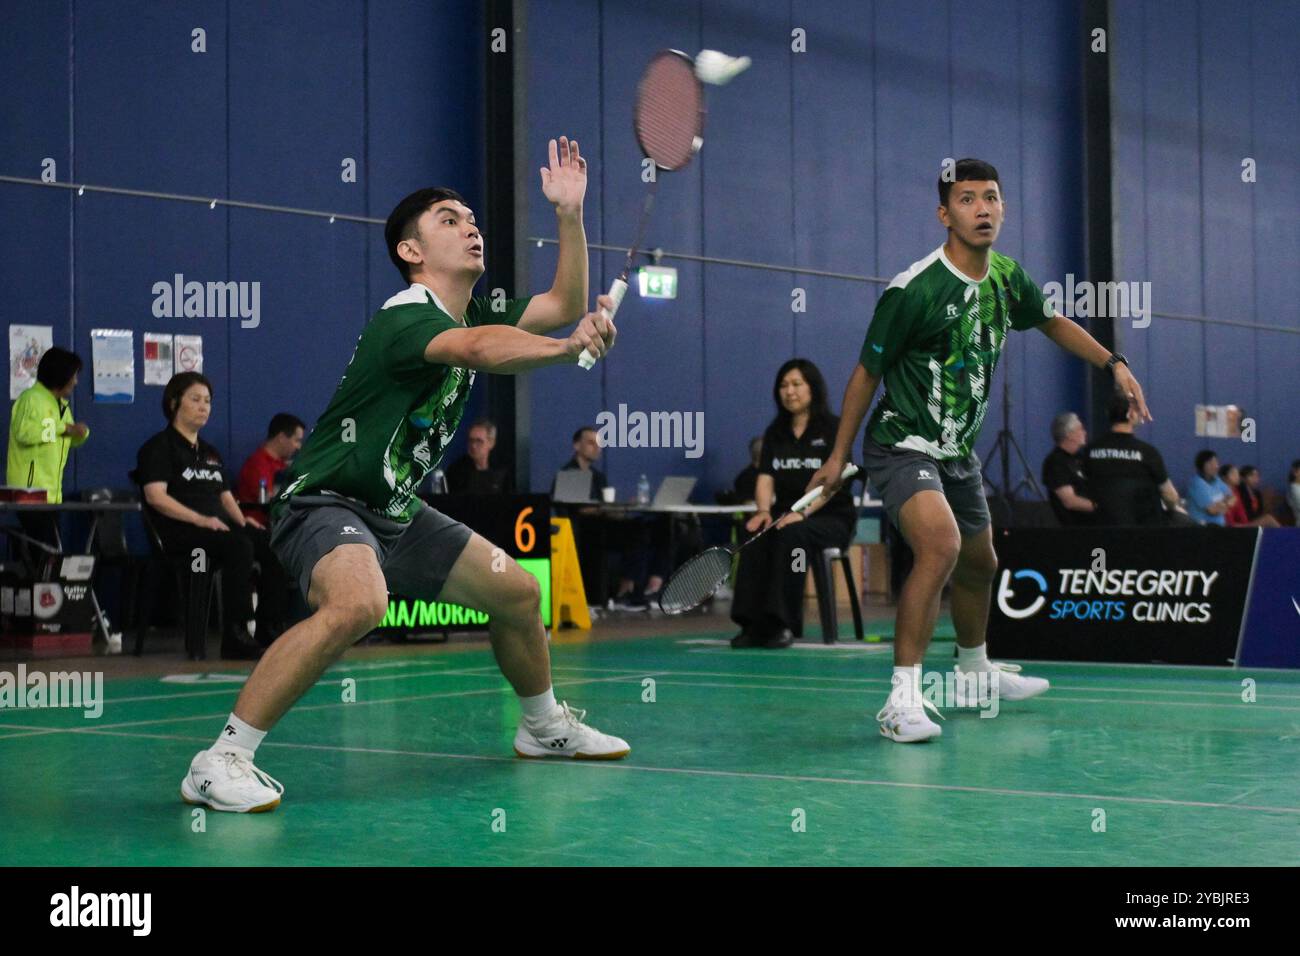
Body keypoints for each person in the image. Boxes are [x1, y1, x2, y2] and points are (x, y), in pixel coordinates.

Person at [180, 138, 628, 814]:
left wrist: (569, 215)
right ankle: (221, 759)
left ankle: (545, 729)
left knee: (514, 594)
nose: (470, 226)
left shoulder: (473, 308)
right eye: (449, 219)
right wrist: (568, 352)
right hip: (324, 502)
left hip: (394, 508)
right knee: (360, 604)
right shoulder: (406, 317)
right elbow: (480, 350)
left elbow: (564, 302)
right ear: (411, 252)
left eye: (472, 218)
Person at [808, 158, 1155, 743]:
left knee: (982, 561)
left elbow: (1051, 322)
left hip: (956, 450)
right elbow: (866, 374)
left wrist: (1113, 363)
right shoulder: (913, 289)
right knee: (940, 546)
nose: (983, 208)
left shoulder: (1006, 277)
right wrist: (839, 456)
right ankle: (901, 699)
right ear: (945, 214)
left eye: (991, 197)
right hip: (902, 443)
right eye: (967, 200)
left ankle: (973, 674)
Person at [136, 373, 291, 659]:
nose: (203, 407)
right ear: (173, 404)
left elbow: (224, 496)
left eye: (207, 401)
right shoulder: (158, 448)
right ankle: (235, 634)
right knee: (238, 546)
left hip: (217, 528)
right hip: (180, 533)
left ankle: (270, 629)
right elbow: (155, 497)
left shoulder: (210, 453)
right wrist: (200, 519)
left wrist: (243, 521)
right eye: (195, 399)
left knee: (271, 543)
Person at [731, 359, 858, 649]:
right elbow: (765, 477)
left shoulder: (833, 429)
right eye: (784, 385)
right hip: (786, 513)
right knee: (755, 534)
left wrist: (803, 513)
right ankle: (753, 623)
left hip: (831, 516)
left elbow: (833, 484)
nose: (789, 391)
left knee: (792, 536)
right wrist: (763, 511)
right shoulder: (776, 432)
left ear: (813, 388)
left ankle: (782, 623)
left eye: (797, 384)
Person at [6, 347, 89, 551]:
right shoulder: (31, 399)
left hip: (51, 494)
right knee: (46, 554)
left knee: (45, 555)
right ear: (60, 375)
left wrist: (79, 433)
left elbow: (64, 438)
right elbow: (25, 434)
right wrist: (65, 428)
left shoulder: (61, 404)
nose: (75, 382)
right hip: (29, 494)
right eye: (73, 376)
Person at [1084, 390, 1187, 526]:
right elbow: (1170, 496)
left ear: (1108, 414)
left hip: (1100, 526)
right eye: (1138, 410)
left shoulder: (1090, 451)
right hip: (1142, 530)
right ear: (1131, 414)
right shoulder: (1147, 453)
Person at [236, 413, 305, 526]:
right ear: (282, 438)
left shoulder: (285, 465)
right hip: (261, 527)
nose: (299, 446)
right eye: (296, 440)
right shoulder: (258, 464)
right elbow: (271, 500)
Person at [1041, 411, 1095, 525]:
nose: (1084, 432)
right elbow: (1069, 501)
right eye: (1080, 429)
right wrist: (1100, 507)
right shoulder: (1055, 462)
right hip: (1074, 527)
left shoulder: (1081, 458)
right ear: (1069, 434)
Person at [445, 419, 514, 494]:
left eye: (479, 441)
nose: (473, 446)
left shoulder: (501, 469)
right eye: (471, 441)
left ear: (491, 443)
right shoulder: (456, 470)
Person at [1187, 450, 1232, 526]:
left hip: (1220, 526)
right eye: (1210, 463)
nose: (1215, 466)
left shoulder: (1217, 480)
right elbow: (1212, 510)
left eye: (1216, 463)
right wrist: (1225, 503)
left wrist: (1221, 505)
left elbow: (1232, 498)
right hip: (1202, 528)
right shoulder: (1196, 484)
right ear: (1201, 465)